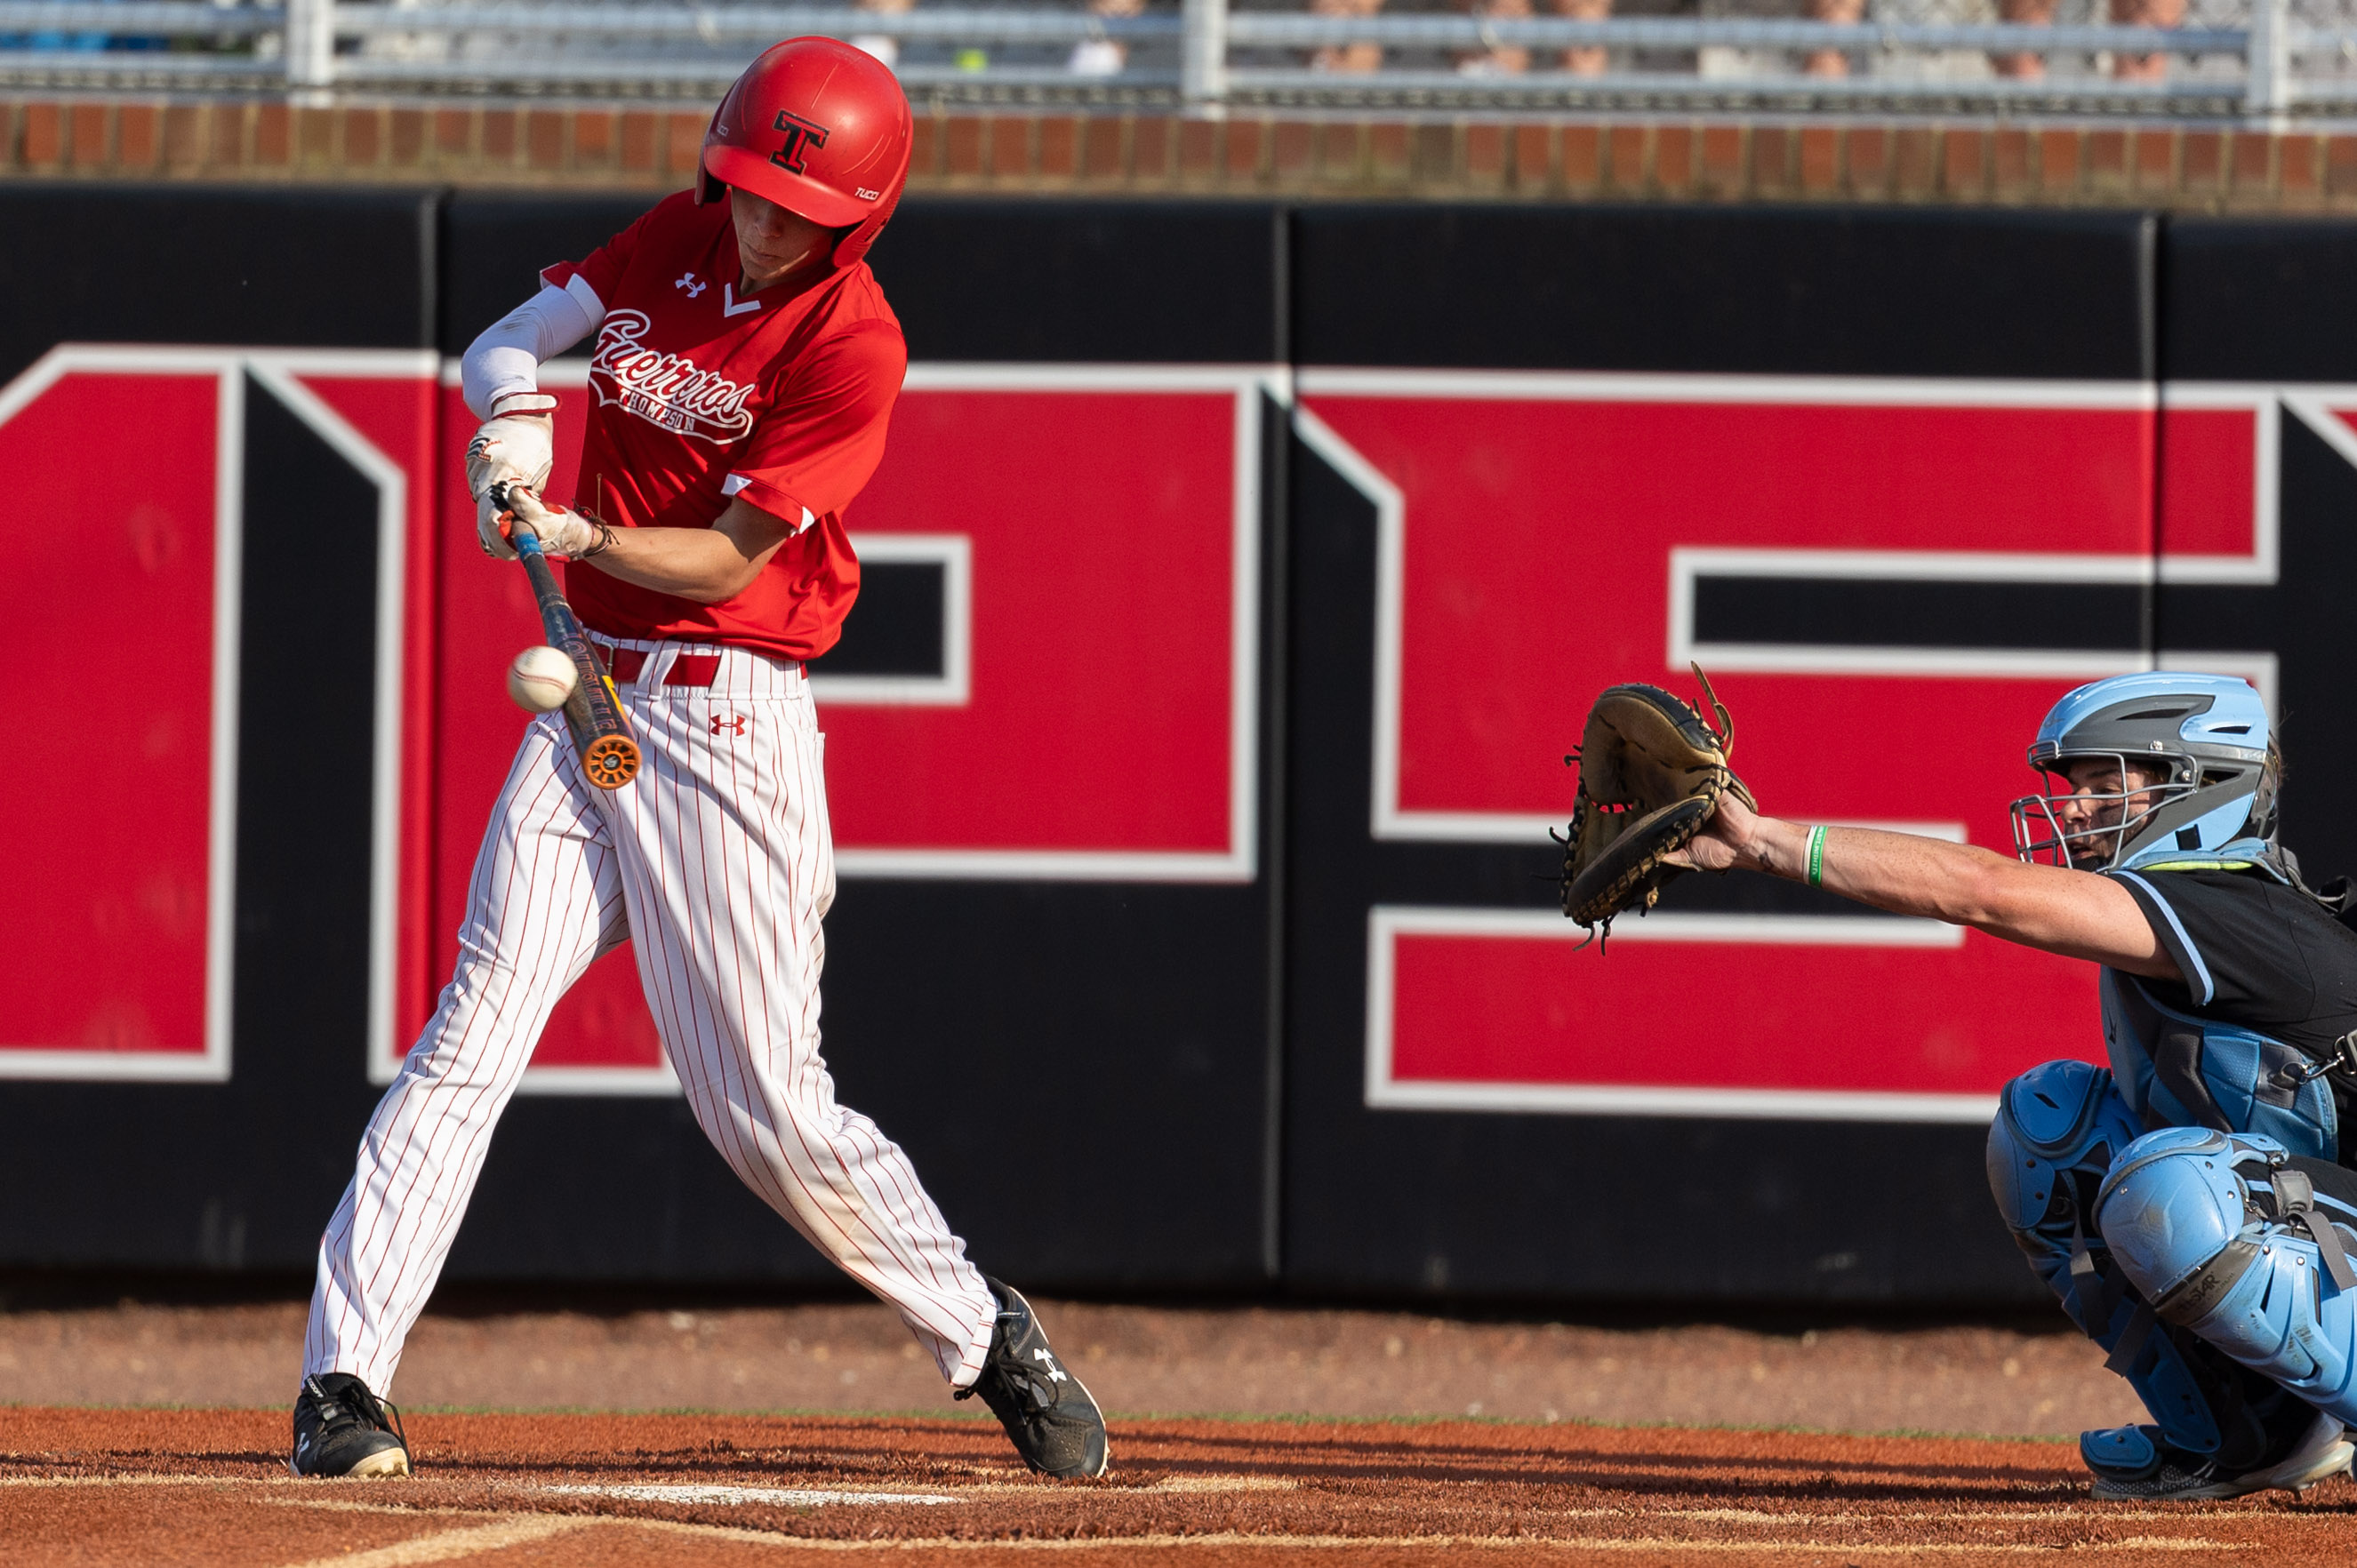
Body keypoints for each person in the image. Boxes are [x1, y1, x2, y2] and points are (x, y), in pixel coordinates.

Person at [287, 36, 1108, 1484]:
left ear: (857, 216)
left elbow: (724, 553)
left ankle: (982, 1325)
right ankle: (342, 1379)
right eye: (742, 183)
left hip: (728, 709)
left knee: (763, 1108)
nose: (756, 217)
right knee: (470, 1031)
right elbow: (501, 340)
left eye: (793, 202)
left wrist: (576, 534)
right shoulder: (682, 232)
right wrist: (516, 423)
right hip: (587, 699)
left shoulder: (855, 345)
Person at [1670, 670, 2357, 1500]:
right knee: (2049, 1128)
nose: (2071, 808)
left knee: (2177, 1186)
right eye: (2075, 787)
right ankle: (2251, 1434)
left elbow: (1983, 892)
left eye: (2106, 785)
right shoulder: (2207, 909)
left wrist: (1763, 843)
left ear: (2202, 788)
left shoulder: (2239, 910)